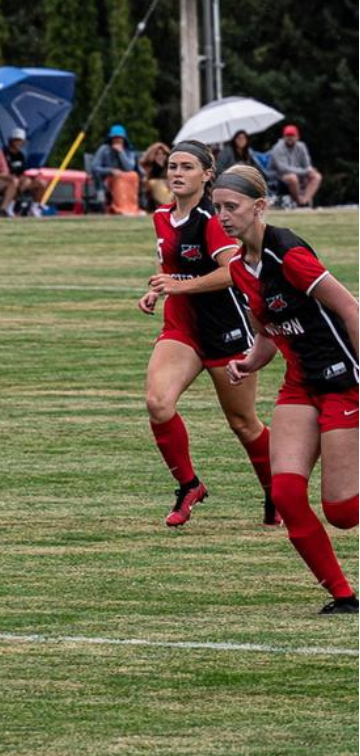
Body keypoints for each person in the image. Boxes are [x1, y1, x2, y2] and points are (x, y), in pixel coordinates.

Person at [214, 164, 358, 614]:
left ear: (259, 207)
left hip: (342, 381)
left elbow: (350, 308)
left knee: (343, 513)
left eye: (231, 207)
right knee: (287, 494)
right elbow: (268, 333)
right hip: (300, 385)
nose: (221, 216)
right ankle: (344, 597)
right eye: (216, 207)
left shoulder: (288, 253)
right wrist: (248, 362)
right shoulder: (239, 267)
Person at [139, 142, 273, 527]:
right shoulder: (161, 216)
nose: (177, 173)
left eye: (187, 167)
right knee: (158, 402)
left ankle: (275, 492)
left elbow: (233, 272)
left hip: (225, 330)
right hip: (181, 328)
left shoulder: (212, 220)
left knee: (243, 422)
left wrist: (178, 286)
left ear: (207, 175)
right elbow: (173, 266)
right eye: (172, 166)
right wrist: (157, 289)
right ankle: (189, 485)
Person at [268, 124, 323, 208]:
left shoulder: (302, 146)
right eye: (287, 135)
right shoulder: (277, 148)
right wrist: (305, 171)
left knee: (316, 176)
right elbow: (283, 169)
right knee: (292, 177)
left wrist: (310, 170)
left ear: (297, 137)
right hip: (279, 177)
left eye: (292, 135)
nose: (290, 137)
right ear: (284, 136)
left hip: (298, 175)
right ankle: (298, 202)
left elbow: (307, 164)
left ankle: (305, 201)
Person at [92, 124, 141, 216]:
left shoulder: (128, 151)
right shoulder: (103, 150)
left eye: (119, 138)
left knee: (133, 175)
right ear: (110, 139)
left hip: (126, 180)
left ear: (124, 139)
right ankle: (120, 208)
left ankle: (131, 207)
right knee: (119, 178)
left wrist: (121, 153)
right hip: (107, 180)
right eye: (114, 138)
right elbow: (95, 168)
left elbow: (129, 167)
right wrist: (111, 171)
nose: (117, 140)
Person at [4, 127, 45, 216]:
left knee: (41, 183)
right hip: (9, 178)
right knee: (21, 182)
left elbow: (23, 170)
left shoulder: (21, 155)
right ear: (11, 140)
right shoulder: (5, 153)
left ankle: (35, 207)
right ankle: (11, 205)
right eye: (16, 140)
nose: (18, 143)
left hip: (21, 178)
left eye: (20, 141)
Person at [140, 141, 173, 210]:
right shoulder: (146, 167)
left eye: (163, 154)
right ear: (152, 155)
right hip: (152, 198)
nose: (161, 156)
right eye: (157, 154)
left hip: (170, 192)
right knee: (155, 183)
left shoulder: (169, 167)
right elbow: (145, 182)